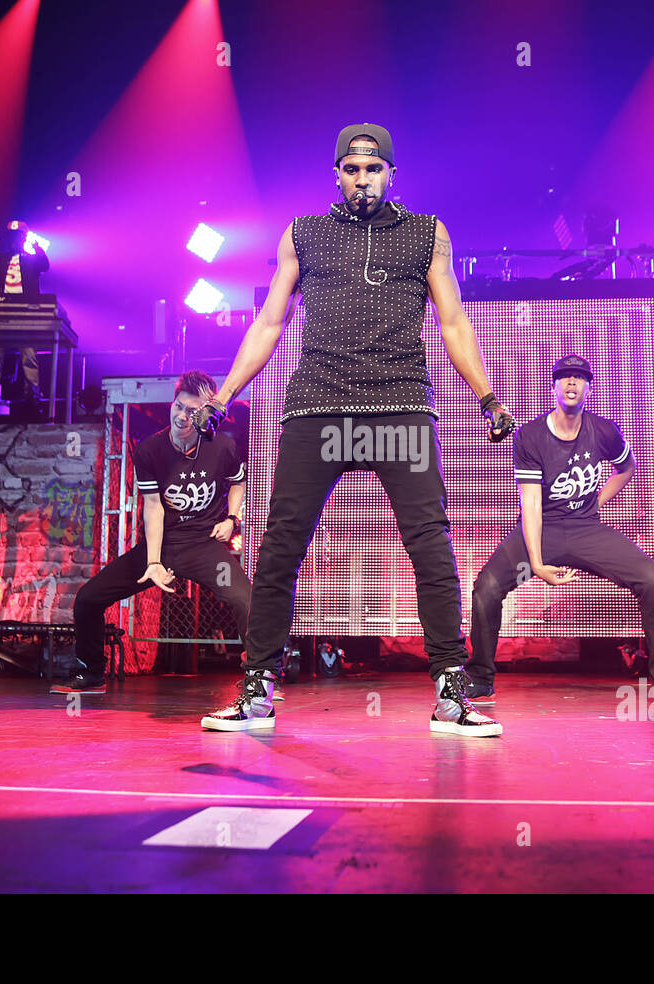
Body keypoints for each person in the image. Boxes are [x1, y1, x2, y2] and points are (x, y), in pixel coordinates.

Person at [196, 124, 515, 736]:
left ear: (392, 172)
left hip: (398, 405)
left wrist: (488, 397)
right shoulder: (303, 232)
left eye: (372, 168)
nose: (361, 178)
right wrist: (227, 393)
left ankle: (453, 693)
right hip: (317, 405)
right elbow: (268, 322)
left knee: (430, 543)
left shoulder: (428, 233)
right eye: (350, 169)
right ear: (336, 175)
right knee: (281, 547)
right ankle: (257, 692)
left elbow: (452, 321)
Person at [466, 355, 654, 707]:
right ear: (554, 387)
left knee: (653, 579)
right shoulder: (530, 436)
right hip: (541, 530)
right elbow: (530, 505)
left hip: (586, 529)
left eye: (579, 378)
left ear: (589, 388)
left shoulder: (604, 431)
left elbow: (626, 469)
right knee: (485, 588)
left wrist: (595, 500)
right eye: (564, 378)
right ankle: (480, 681)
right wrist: (536, 562)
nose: (572, 383)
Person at [57, 370, 250, 694]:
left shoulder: (224, 448)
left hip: (204, 547)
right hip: (161, 544)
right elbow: (154, 507)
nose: (181, 416)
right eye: (178, 406)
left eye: (191, 411)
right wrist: (154, 561)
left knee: (245, 599)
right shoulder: (150, 450)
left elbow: (238, 483)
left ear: (205, 413)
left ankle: (259, 675)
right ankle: (91, 673)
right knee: (88, 599)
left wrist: (232, 518)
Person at [0, 220, 48, 420]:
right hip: (3, 313)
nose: (14, 241)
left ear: (23, 238)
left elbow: (45, 264)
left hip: (24, 315)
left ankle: (32, 401)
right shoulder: (1, 259)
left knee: (29, 356)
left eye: (17, 237)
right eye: (12, 237)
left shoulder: (30, 260)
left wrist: (36, 246)